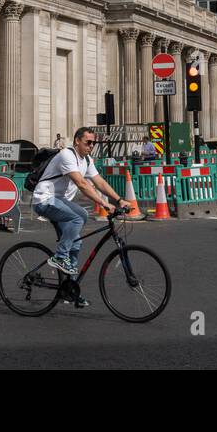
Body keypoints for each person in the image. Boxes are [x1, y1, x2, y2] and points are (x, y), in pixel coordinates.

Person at [31, 126, 131, 301]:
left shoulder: (86, 160)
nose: (91, 146)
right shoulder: (67, 155)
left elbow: (99, 182)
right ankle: (60, 257)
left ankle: (70, 290)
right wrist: (104, 204)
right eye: (88, 142)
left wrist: (119, 200)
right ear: (77, 141)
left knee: (76, 241)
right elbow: (82, 184)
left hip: (60, 202)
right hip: (44, 200)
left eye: (93, 143)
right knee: (78, 217)